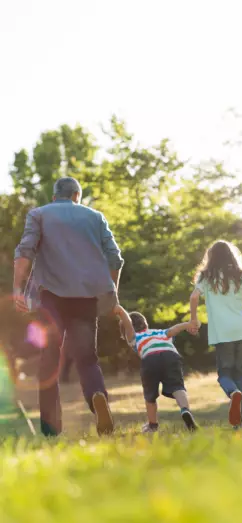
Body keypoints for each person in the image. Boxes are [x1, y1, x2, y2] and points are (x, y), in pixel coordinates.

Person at [14, 177, 124, 436]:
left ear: (55, 197)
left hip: (50, 297)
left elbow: (25, 250)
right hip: (85, 298)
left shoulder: (39, 214)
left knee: (49, 357)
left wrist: (18, 288)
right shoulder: (95, 217)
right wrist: (112, 290)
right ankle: (97, 397)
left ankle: (51, 428)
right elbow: (115, 258)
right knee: (87, 358)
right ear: (77, 196)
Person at [189, 240, 242, 428]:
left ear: (211, 257)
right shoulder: (240, 275)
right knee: (240, 374)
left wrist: (193, 320)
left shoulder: (205, 277)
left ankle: (232, 393)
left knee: (224, 373)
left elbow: (193, 297)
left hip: (222, 333)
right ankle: (239, 422)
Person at [116, 305, 198, 433]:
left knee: (150, 395)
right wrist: (189, 324)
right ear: (146, 325)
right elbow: (174, 329)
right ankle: (185, 410)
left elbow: (127, 324)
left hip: (150, 359)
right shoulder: (160, 332)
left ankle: (153, 425)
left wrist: (121, 312)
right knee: (177, 387)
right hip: (170, 355)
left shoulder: (134, 338)